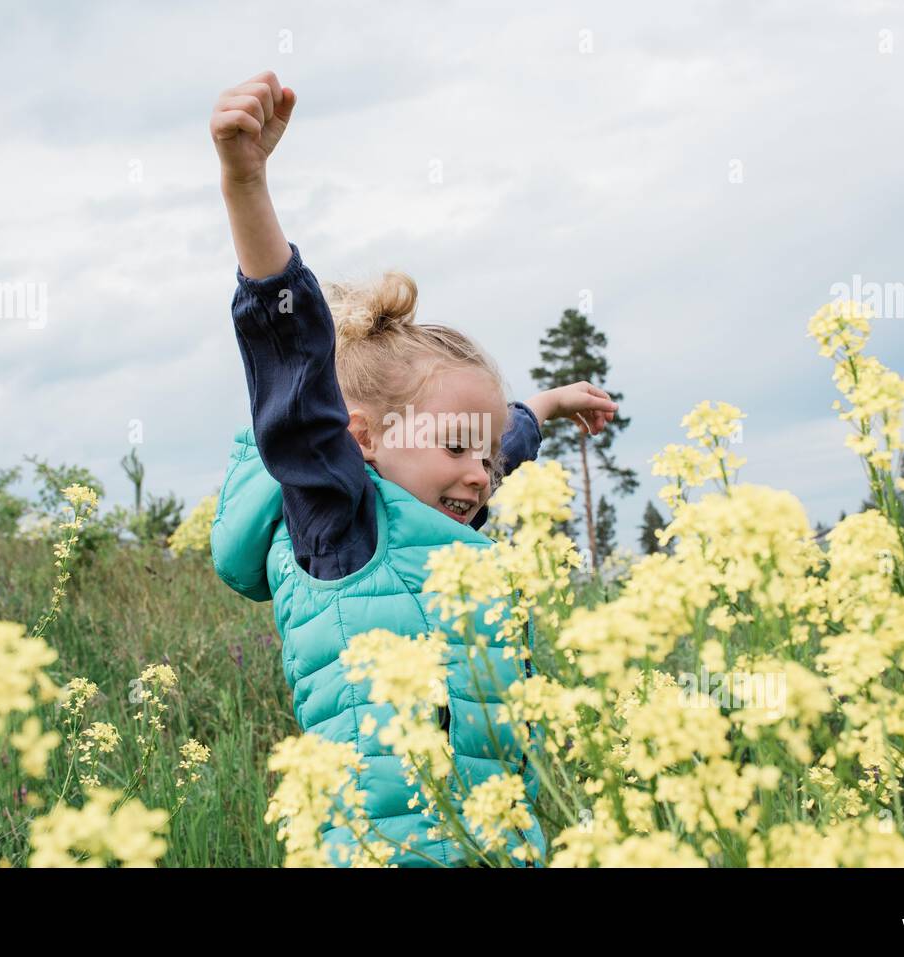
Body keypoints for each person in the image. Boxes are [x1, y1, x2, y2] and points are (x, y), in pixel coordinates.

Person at [208, 71, 619, 867]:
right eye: (462, 448)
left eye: (490, 457)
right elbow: (291, 362)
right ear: (357, 441)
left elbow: (493, 444)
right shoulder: (339, 523)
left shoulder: (450, 505)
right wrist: (246, 181)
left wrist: (549, 405)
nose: (484, 475)